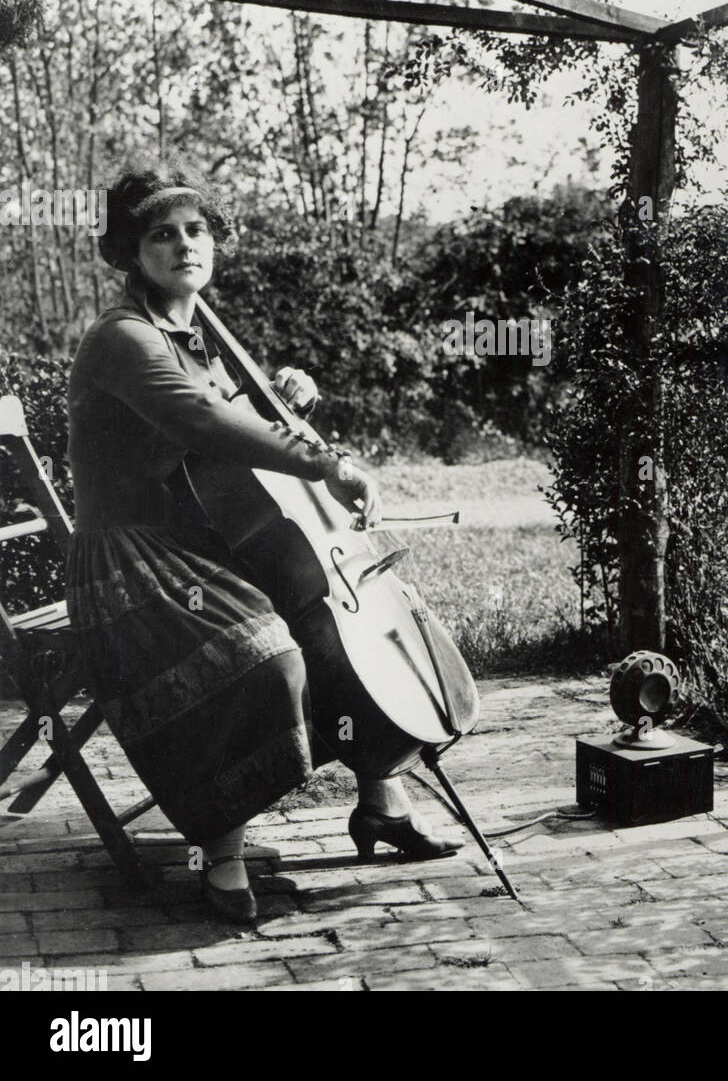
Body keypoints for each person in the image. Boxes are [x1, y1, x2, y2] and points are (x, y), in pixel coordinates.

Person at [66, 167, 459, 925]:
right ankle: (221, 854)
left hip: (193, 546)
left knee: (326, 622)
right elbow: (199, 424)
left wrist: (280, 399)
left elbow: (221, 418)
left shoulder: (191, 333)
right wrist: (324, 461)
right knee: (266, 657)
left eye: (195, 230)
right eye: (161, 234)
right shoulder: (121, 337)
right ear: (130, 253)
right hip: (126, 563)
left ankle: (381, 801)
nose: (184, 245)